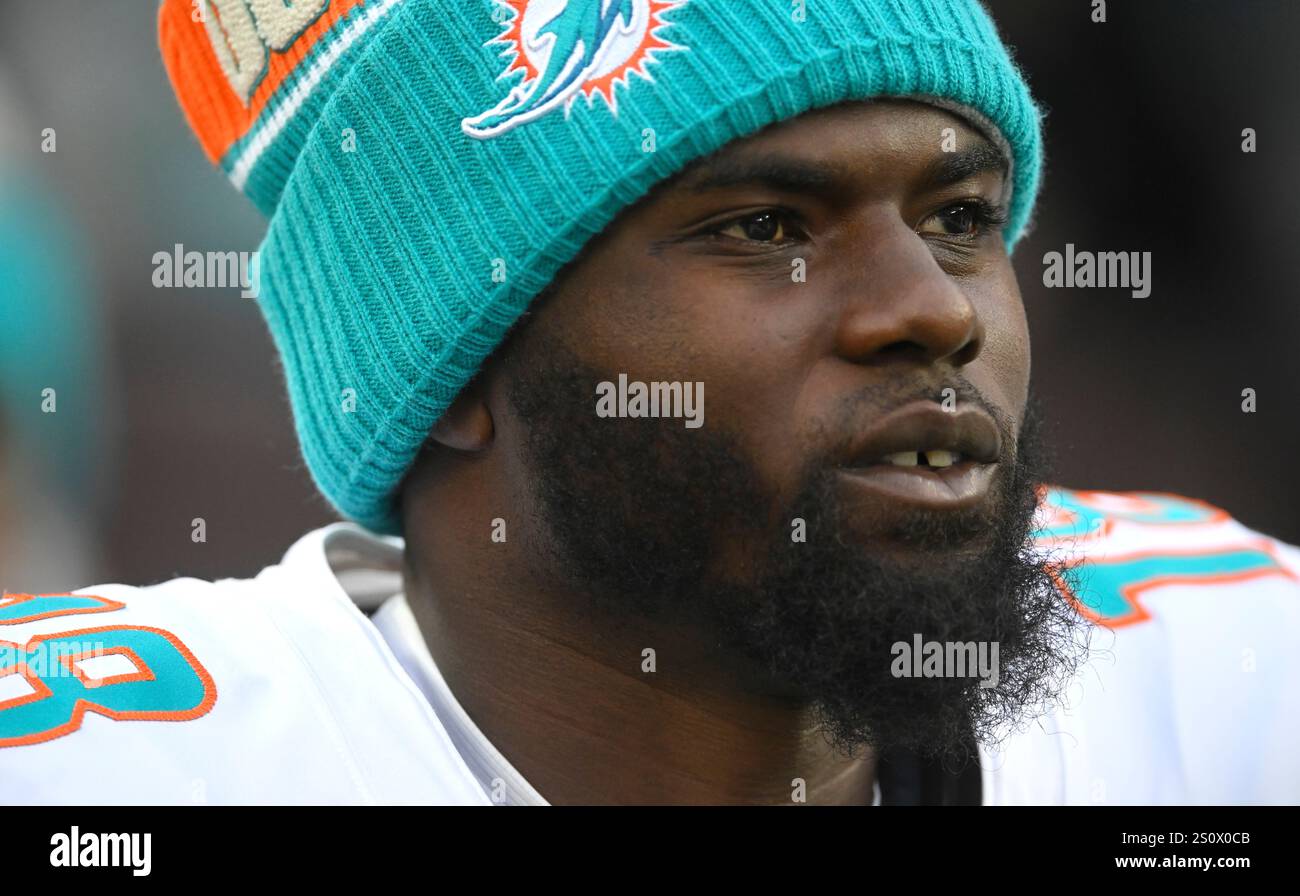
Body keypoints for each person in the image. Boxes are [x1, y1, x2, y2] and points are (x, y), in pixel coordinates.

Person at [3, 0, 1297, 805]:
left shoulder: (1234, 683)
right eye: (767, 226)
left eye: (960, 218)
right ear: (461, 364)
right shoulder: (92, 774)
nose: (935, 308)